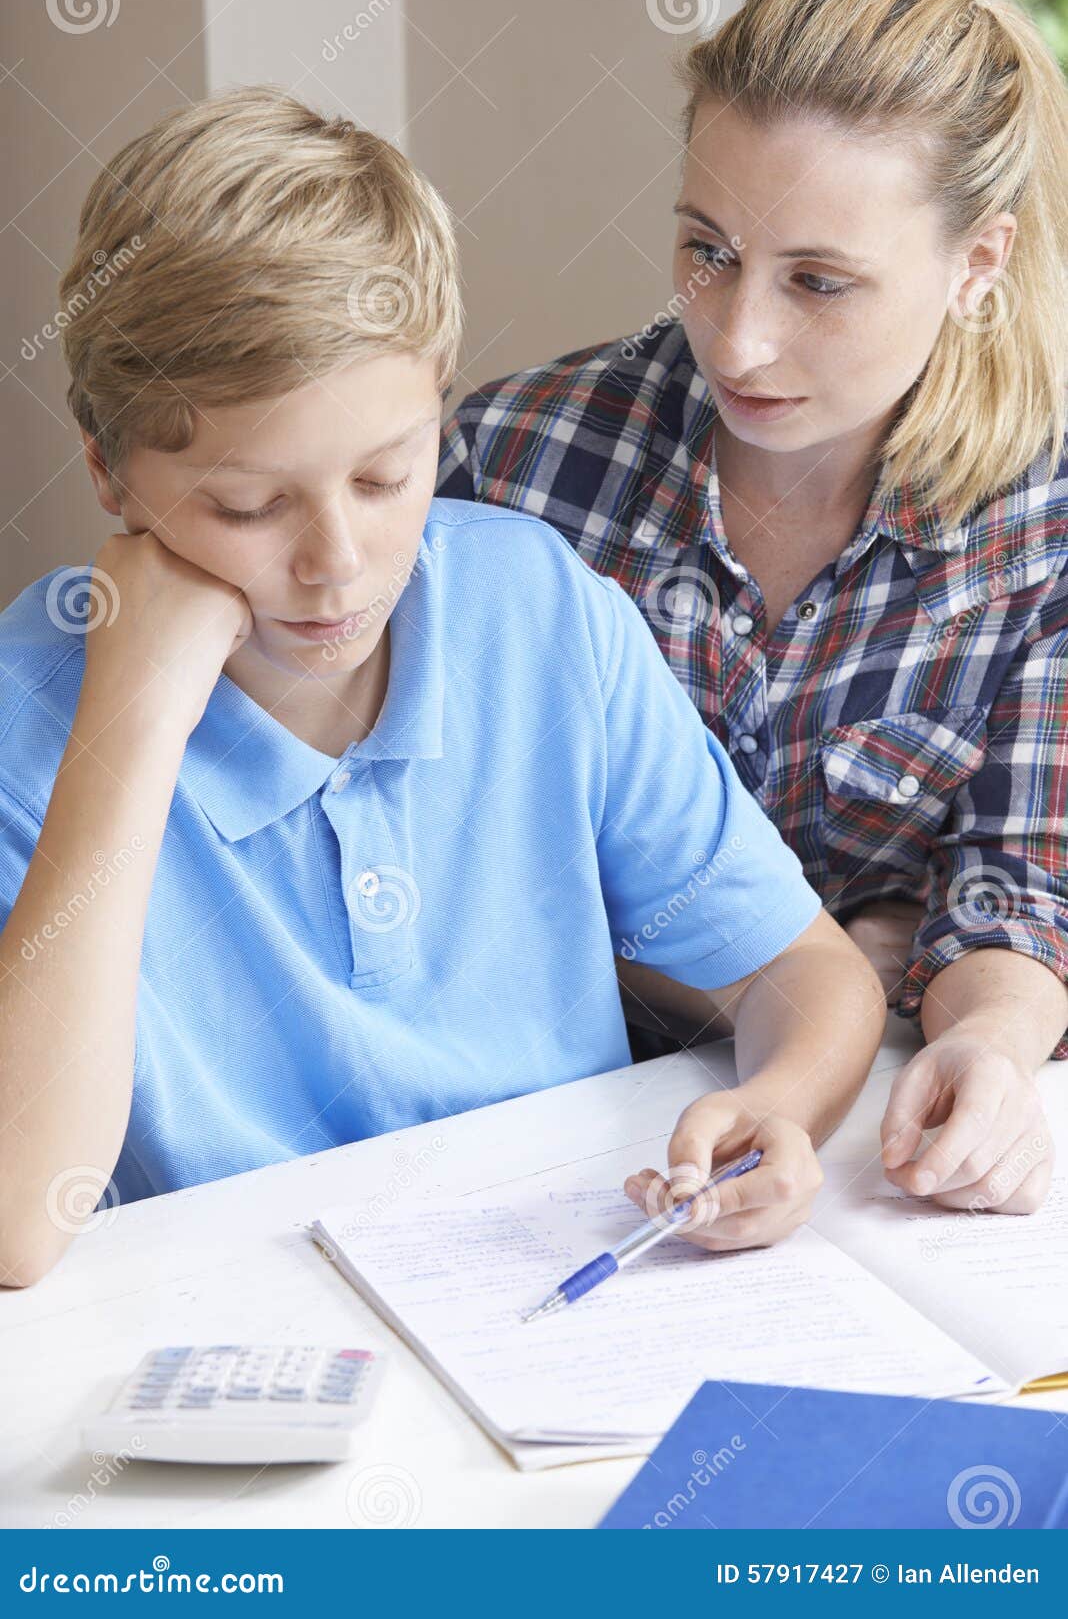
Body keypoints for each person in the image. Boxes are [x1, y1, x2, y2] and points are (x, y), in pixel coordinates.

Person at [0, 87, 884, 1288]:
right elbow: (16, 1216)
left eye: (384, 475)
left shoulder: (535, 611)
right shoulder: (32, 721)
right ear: (110, 474)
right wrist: (137, 719)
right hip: (236, 1346)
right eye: (248, 507)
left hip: (561, 1294)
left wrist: (781, 1103)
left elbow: (804, 973)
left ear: (439, 402)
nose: (338, 563)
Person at [437, 0, 1068, 1217]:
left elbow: (1015, 882)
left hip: (857, 1146)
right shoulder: (507, 469)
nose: (737, 340)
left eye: (819, 282)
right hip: (533, 1138)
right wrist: (860, 947)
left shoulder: (1039, 531)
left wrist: (991, 1042)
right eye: (707, 251)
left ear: (976, 265)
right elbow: (451, 882)